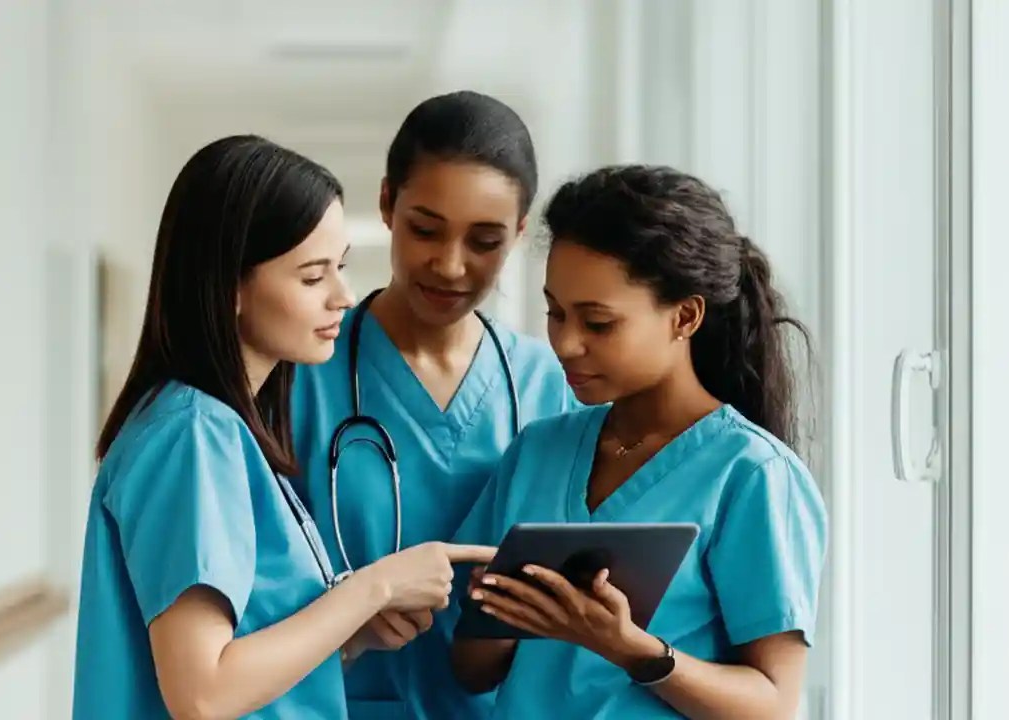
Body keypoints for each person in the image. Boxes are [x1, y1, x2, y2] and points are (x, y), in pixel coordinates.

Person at [72, 135, 493, 720]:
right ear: (231, 288)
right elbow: (202, 694)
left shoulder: (223, 432)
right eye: (313, 276)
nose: (344, 297)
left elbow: (246, 661)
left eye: (340, 268)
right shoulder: (191, 434)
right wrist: (373, 588)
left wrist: (353, 634)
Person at [449, 165, 829, 719]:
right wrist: (503, 615)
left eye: (598, 323)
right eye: (556, 313)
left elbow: (772, 706)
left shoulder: (751, 474)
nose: (567, 344)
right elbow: (470, 671)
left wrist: (629, 648)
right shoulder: (538, 452)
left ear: (685, 316)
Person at [289, 91, 575, 718]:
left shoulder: (549, 384)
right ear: (387, 203)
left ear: (520, 234)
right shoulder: (303, 374)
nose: (450, 266)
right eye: (426, 228)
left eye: (485, 241)